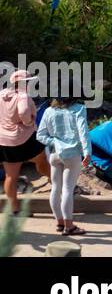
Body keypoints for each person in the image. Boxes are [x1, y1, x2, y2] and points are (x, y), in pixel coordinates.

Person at [35, 94, 91, 236]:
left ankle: (60, 222)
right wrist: (87, 152)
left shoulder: (48, 110)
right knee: (67, 189)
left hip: (54, 154)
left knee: (55, 187)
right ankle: (69, 226)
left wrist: (55, 143)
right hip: (72, 154)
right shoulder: (79, 109)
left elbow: (40, 135)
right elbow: (83, 132)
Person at [0, 69, 51, 213]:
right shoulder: (23, 96)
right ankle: (56, 186)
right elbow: (23, 112)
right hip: (24, 139)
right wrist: (28, 122)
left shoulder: (2, 94)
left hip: (4, 140)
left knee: (11, 176)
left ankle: (14, 208)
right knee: (42, 160)